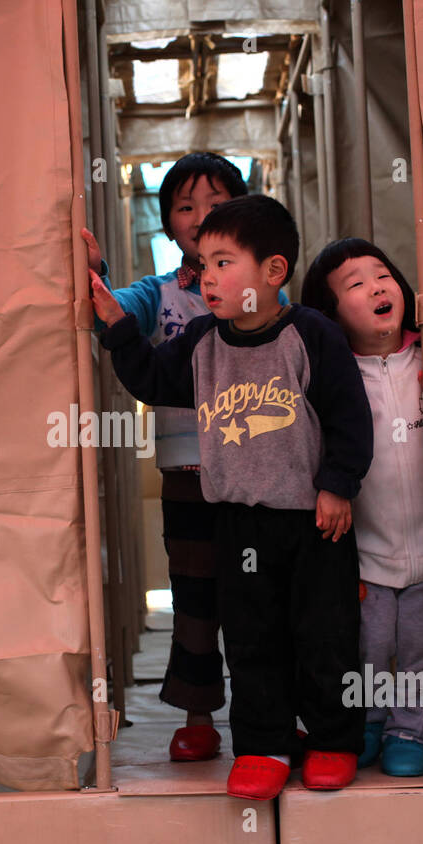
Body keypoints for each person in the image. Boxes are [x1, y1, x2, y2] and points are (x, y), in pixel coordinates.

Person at [89, 195, 372, 799]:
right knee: (251, 639)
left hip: (313, 522)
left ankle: (330, 739)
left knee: (324, 634)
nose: (208, 276)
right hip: (238, 524)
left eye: (224, 263)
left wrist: (337, 487)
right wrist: (116, 325)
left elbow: (350, 416)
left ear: (273, 272)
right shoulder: (202, 342)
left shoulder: (311, 336)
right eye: (203, 263)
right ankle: (263, 745)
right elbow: (150, 380)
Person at [82, 152, 285, 762]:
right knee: (195, 600)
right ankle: (200, 717)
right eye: (185, 207)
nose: (200, 217)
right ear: (169, 225)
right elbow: (112, 313)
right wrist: (94, 273)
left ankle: (272, 715)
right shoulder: (157, 294)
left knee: (261, 600)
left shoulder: (269, 294)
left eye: (217, 205)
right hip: (188, 478)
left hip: (261, 477)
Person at [300, 238, 423, 776]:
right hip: (366, 551)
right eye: (355, 284)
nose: (377, 286)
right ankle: (372, 719)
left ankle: (414, 728)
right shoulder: (333, 378)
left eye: (382, 274)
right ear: (331, 313)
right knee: (370, 643)